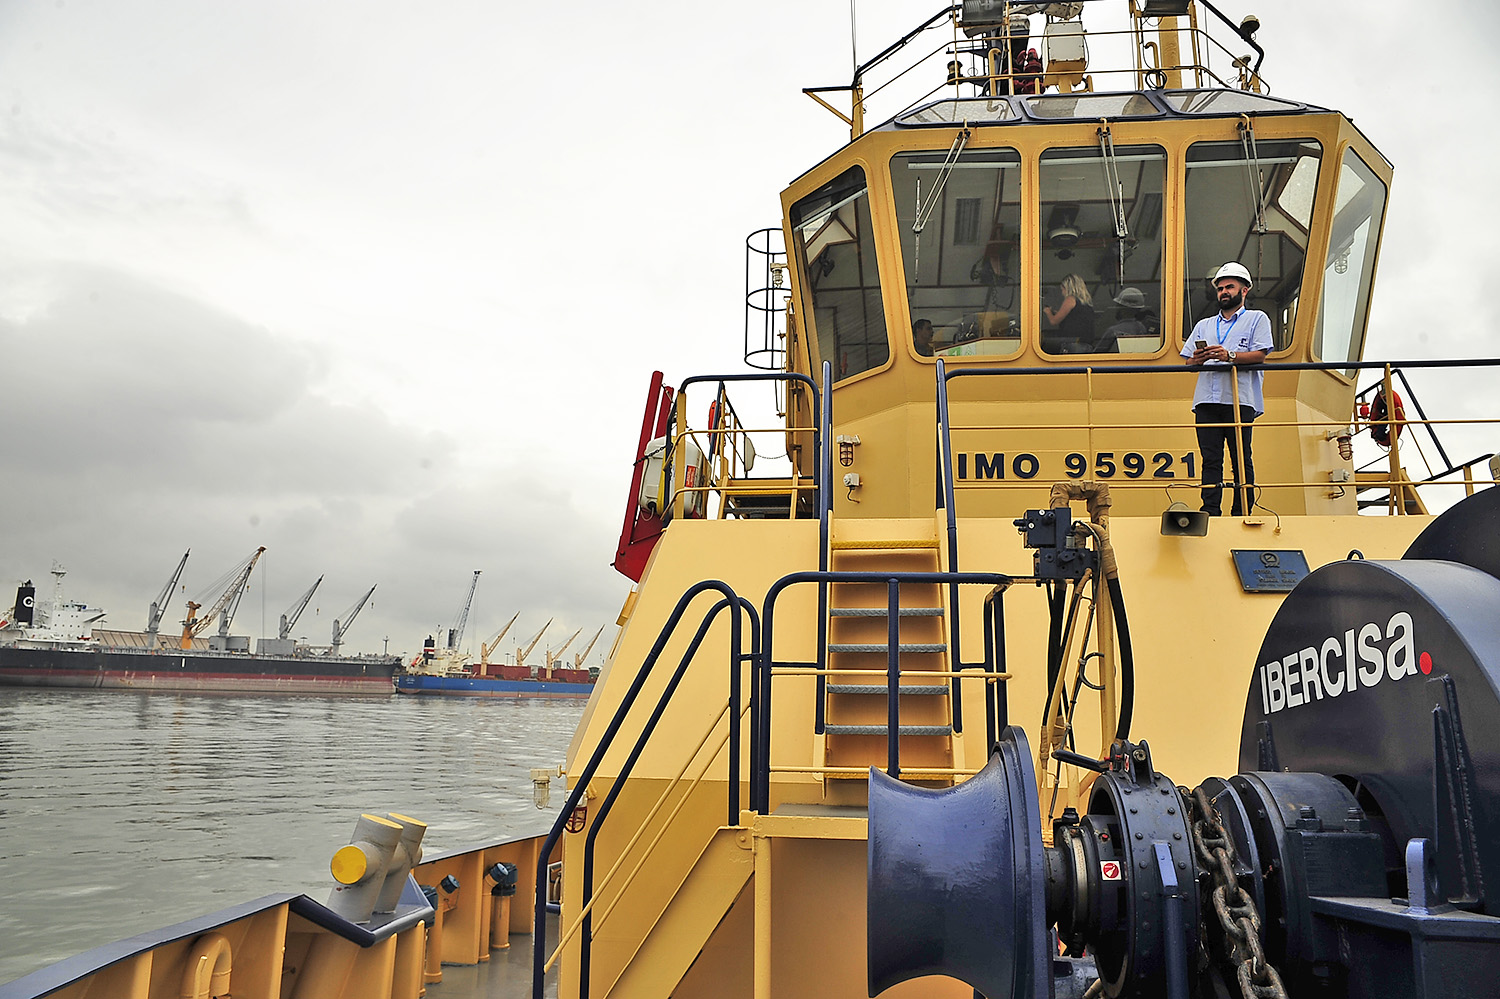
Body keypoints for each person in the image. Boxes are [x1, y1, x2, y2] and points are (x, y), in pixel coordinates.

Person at [1181, 262, 1273, 516]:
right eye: (1220, 288)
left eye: (1229, 287)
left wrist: (1228, 355)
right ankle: (1210, 509)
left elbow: (1260, 355)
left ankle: (1242, 509)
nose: (1223, 292)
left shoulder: (1257, 319)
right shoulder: (1204, 325)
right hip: (1207, 400)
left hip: (1240, 398)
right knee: (1211, 459)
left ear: (1244, 290)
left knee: (1241, 458)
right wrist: (1199, 359)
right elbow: (1188, 362)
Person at [1041, 274, 1096, 353]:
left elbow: (1054, 321)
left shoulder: (1070, 299)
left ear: (1067, 288)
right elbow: (1075, 317)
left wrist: (1048, 312)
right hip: (1086, 343)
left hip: (1072, 343)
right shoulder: (1086, 302)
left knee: (1045, 345)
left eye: (1062, 290)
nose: (1062, 293)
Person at [1097, 286, 1159, 353]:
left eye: (1118, 305)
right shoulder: (1142, 328)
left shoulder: (1112, 331)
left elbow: (1097, 354)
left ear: (1121, 308)